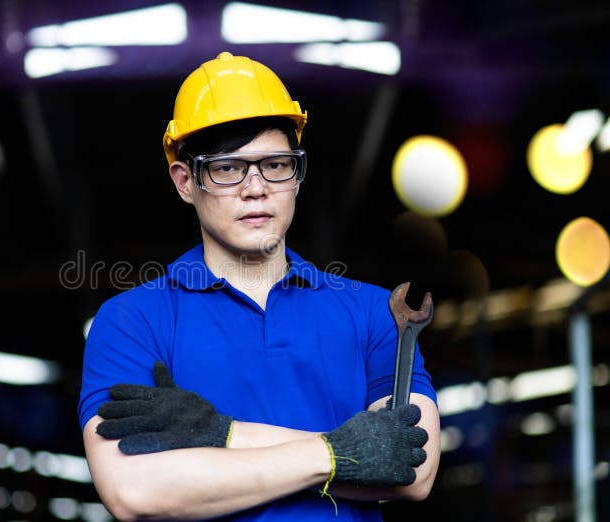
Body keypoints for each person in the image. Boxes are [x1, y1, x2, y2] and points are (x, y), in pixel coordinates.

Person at [78, 51, 440, 521]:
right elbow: (135, 492)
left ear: (296, 175)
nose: (255, 187)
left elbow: (412, 465)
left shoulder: (376, 313)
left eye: (275, 164)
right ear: (185, 181)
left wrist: (219, 436)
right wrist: (342, 452)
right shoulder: (131, 323)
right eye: (228, 168)